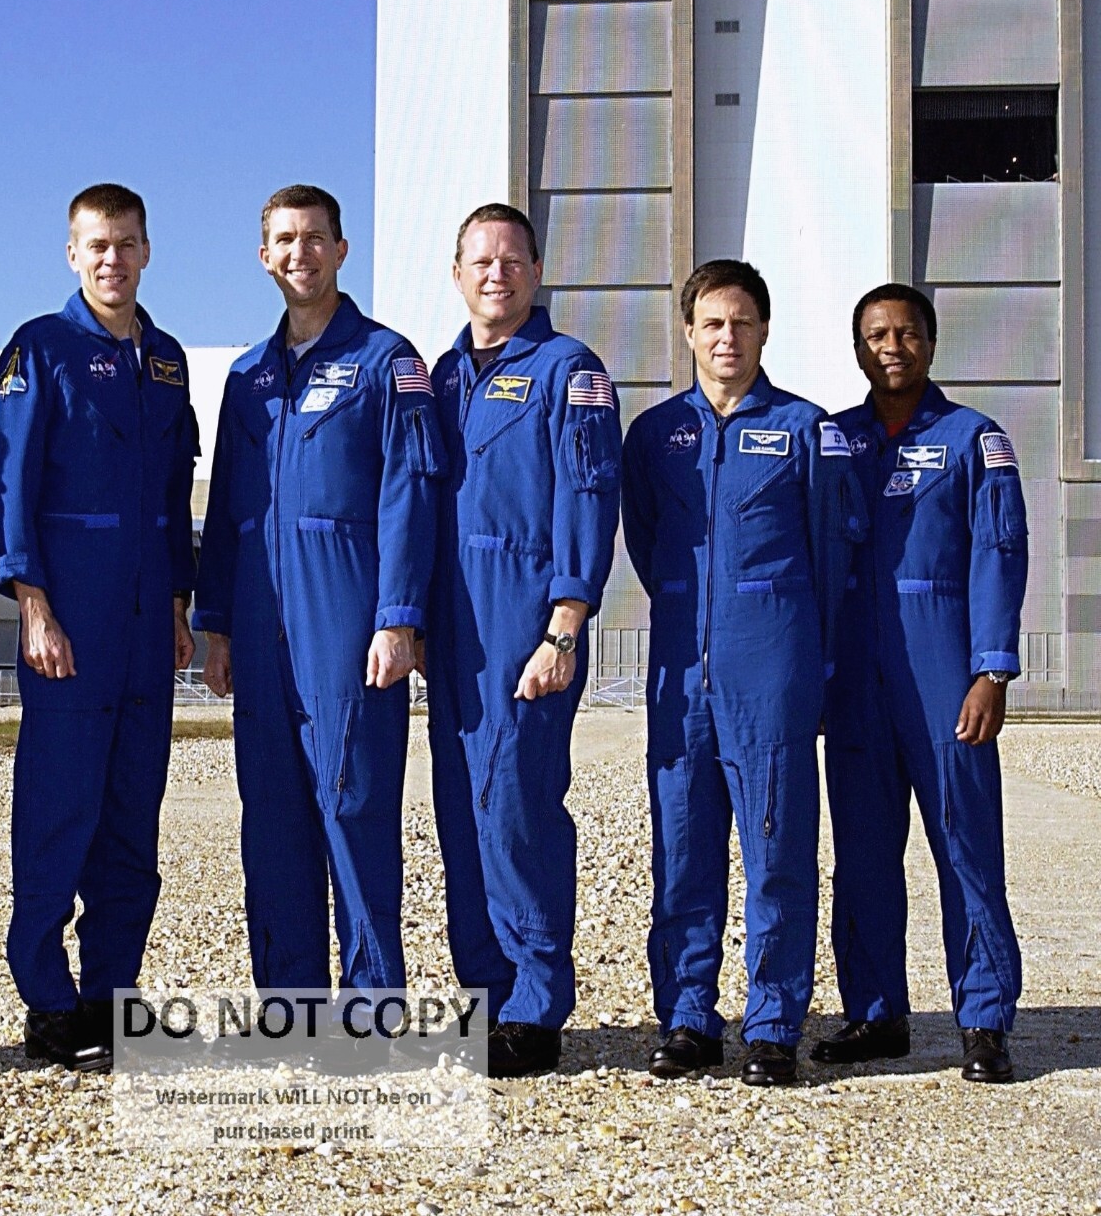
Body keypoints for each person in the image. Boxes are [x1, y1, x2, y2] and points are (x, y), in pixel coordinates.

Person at [194, 184, 443, 1024]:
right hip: (261, 627)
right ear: (264, 256)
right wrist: (214, 623)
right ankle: (290, 1005)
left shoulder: (386, 361)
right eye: (283, 240)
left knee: (353, 803)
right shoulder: (247, 379)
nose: (299, 253)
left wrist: (398, 615)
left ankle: (372, 1006)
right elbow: (228, 505)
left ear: (341, 251)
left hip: (347, 618)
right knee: (271, 817)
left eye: (314, 238)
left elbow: (411, 492)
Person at [621, 259, 863, 1087]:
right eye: (712, 323)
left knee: (777, 846)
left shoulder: (804, 429)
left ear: (765, 330)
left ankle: (771, 1022)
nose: (727, 337)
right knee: (682, 847)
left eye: (743, 322)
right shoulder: (654, 435)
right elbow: (648, 541)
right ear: (688, 331)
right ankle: (689, 1016)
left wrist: (801, 653)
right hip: (682, 672)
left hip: (774, 669)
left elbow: (834, 554)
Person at [0, 184, 198, 1073]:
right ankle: (47, 999)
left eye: (127, 244)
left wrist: (182, 607)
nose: (113, 260)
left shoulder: (169, 360)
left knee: (129, 823)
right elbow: (10, 486)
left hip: (149, 627)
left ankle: (113, 994)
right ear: (72, 254)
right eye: (96, 246)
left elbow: (172, 498)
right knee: (57, 814)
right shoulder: (41, 351)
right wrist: (32, 602)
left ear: (148, 250)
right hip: (69, 624)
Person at [423, 204, 622, 1077]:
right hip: (454, 630)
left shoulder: (568, 371)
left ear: (536, 273)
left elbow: (589, 497)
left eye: (511, 259)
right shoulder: (438, 376)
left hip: (527, 624)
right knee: (463, 817)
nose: (495, 273)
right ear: (458, 273)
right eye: (480, 260)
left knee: (518, 812)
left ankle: (536, 1004)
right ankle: (483, 996)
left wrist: (565, 623)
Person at [815, 283, 1027, 1083]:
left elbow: (999, 555)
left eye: (906, 332)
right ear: (858, 346)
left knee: (965, 845)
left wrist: (991, 669)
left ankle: (983, 1020)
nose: (891, 346)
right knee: (864, 853)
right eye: (875, 334)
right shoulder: (836, 440)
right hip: (857, 684)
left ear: (931, 344)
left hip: (944, 674)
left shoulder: (975, 440)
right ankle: (875, 1013)